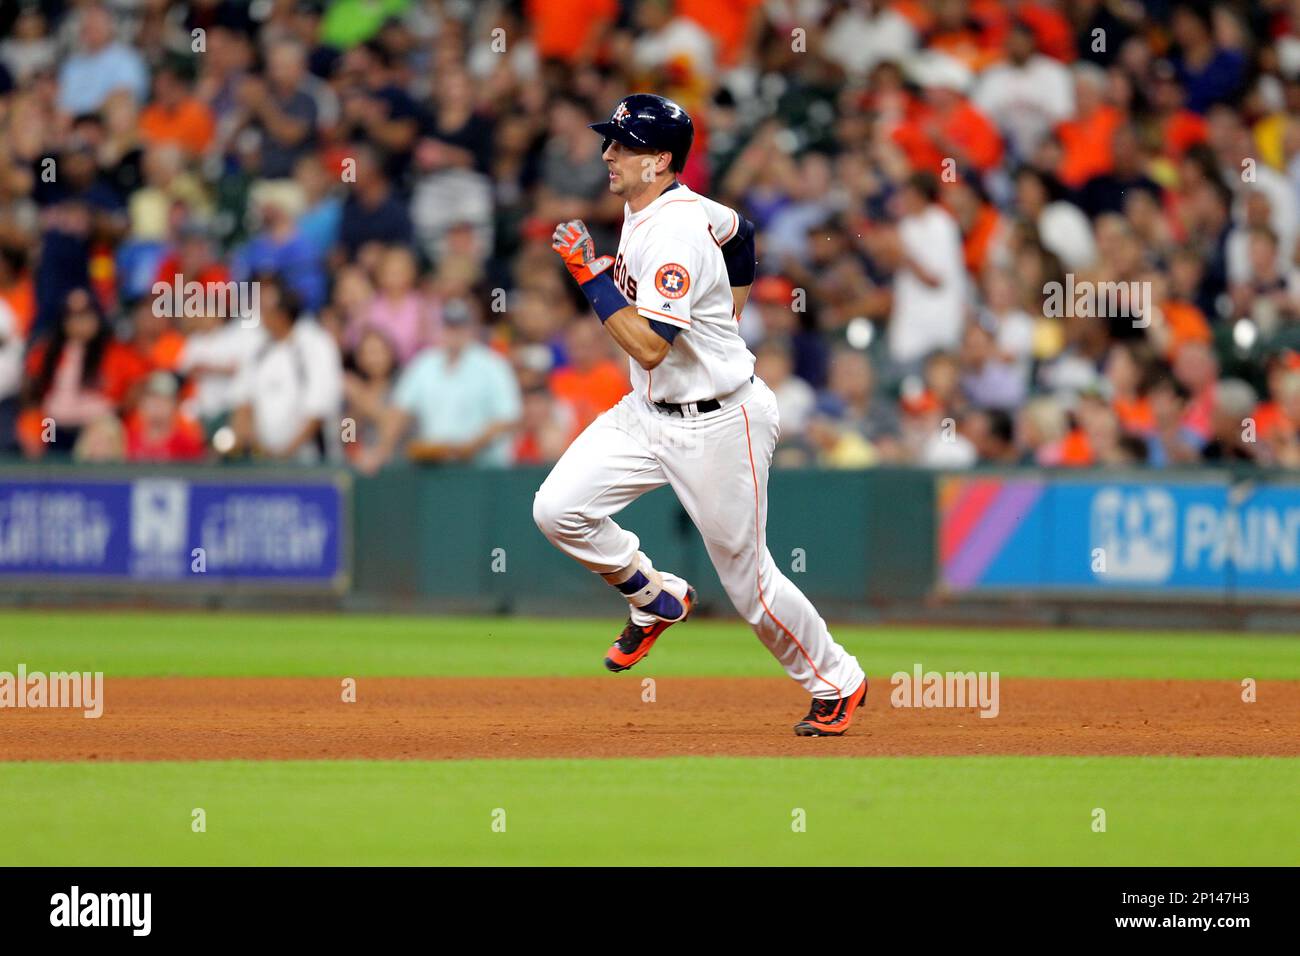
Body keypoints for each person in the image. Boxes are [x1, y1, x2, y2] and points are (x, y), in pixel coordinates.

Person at [533, 95, 867, 737]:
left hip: (719, 421)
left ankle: (838, 680)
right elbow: (740, 233)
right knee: (557, 509)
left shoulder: (673, 232)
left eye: (623, 145)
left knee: (749, 586)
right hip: (648, 410)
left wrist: (589, 277)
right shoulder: (664, 207)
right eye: (610, 142)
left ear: (659, 160)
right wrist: (730, 309)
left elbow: (652, 344)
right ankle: (653, 595)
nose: (608, 154)